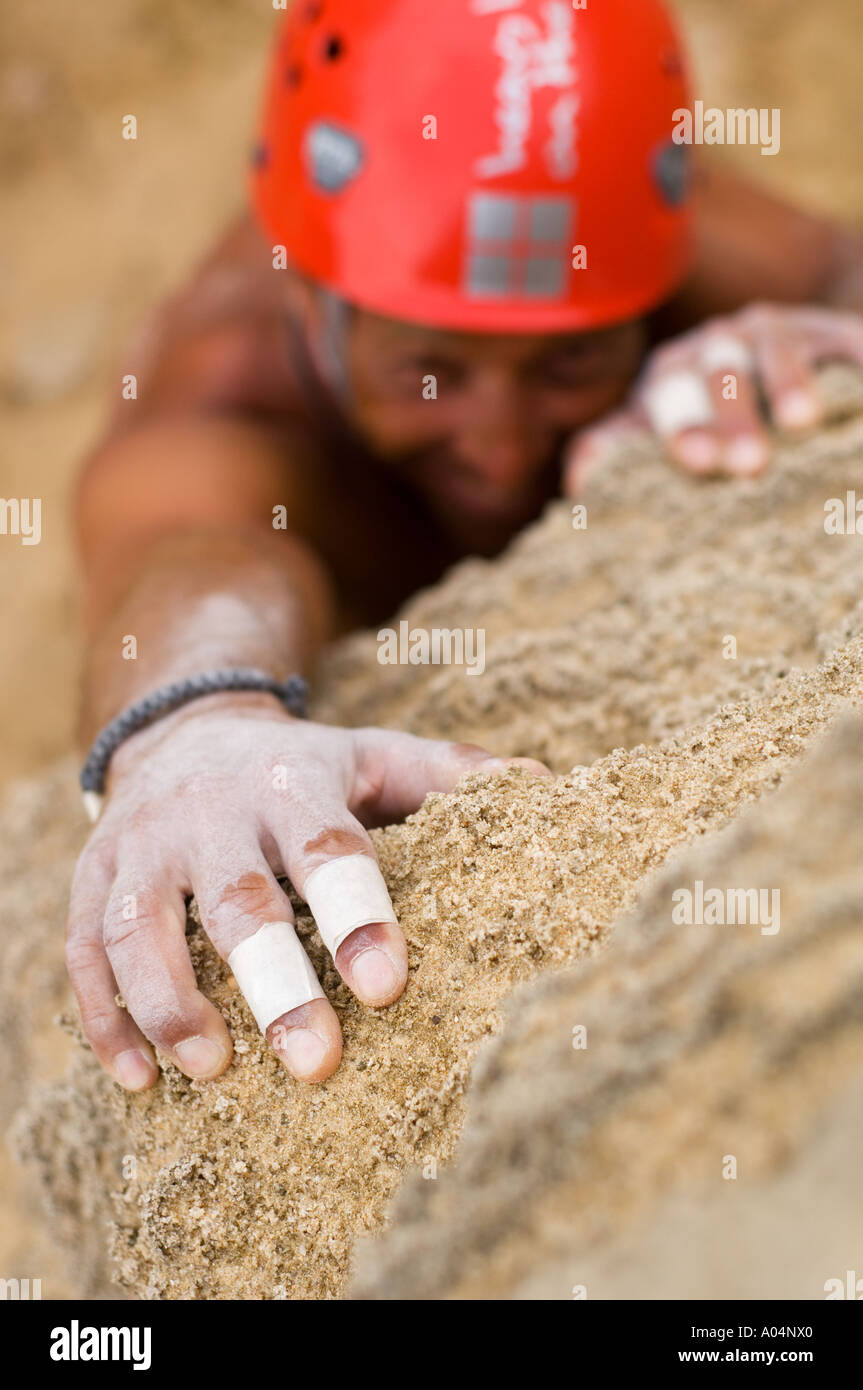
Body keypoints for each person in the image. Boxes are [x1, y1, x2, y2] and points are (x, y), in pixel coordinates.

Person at [68, 0, 863, 1090]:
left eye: (572, 365)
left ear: (651, 296)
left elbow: (837, 273)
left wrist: (786, 343)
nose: (497, 445)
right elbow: (186, 552)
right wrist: (195, 717)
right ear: (309, 303)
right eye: (427, 372)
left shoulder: (638, 245)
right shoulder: (232, 380)